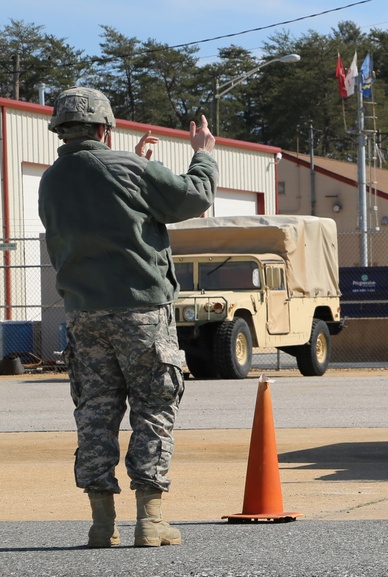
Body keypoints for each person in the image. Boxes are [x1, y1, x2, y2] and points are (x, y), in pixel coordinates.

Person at [38, 87, 217, 548]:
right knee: (154, 407)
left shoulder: (51, 180)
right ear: (105, 128)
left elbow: (103, 202)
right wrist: (202, 154)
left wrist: (133, 165)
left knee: (95, 413)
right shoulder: (129, 168)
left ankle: (102, 525)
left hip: (84, 315)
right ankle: (150, 521)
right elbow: (194, 197)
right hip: (141, 312)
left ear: (61, 130)